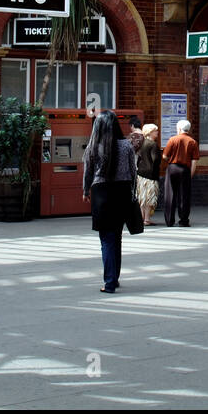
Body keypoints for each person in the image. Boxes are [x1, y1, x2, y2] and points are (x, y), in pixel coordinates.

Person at [82, 111, 137, 293]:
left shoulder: (93, 145)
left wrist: (85, 191)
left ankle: (110, 282)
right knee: (117, 236)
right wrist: (132, 192)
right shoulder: (126, 145)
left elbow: (88, 171)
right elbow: (133, 172)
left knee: (106, 239)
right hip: (122, 192)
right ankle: (114, 278)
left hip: (102, 193)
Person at [160, 118, 199, 227]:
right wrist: (190, 174)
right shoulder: (192, 142)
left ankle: (169, 221)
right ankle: (183, 220)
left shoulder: (173, 139)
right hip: (185, 169)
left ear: (179, 128)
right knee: (184, 195)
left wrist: (172, 160)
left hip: (172, 168)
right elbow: (194, 161)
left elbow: (164, 156)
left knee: (170, 194)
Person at [135, 123, 161, 226]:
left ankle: (141, 218)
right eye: (155, 131)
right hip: (151, 175)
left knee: (142, 197)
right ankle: (147, 219)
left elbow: (138, 158)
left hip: (140, 173)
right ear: (150, 132)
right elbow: (156, 160)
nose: (157, 132)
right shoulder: (153, 144)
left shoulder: (141, 143)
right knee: (150, 198)